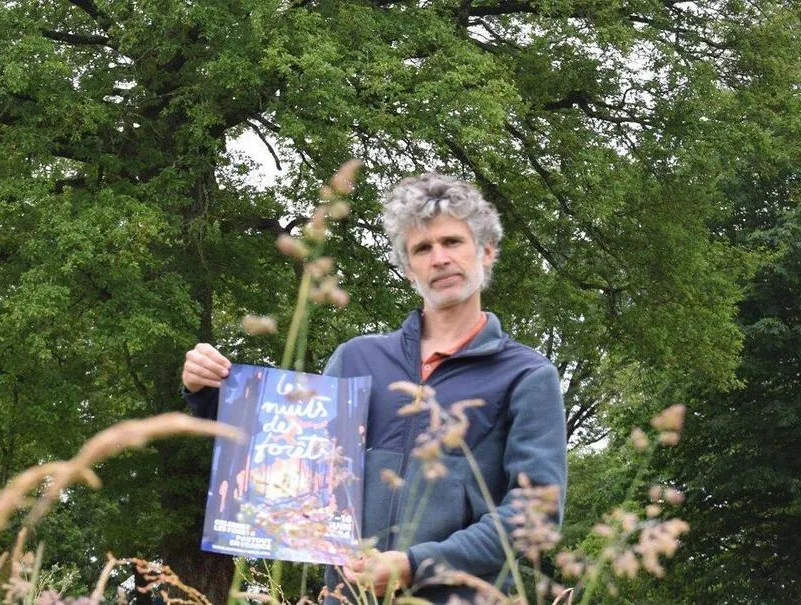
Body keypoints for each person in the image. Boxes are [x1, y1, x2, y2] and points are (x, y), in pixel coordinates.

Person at [182, 173, 567, 602]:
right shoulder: (357, 359)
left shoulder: (527, 376)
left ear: (487, 252)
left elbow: (536, 516)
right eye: (422, 248)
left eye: (452, 242)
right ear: (407, 270)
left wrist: (413, 565)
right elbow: (285, 456)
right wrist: (210, 391)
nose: (439, 258)